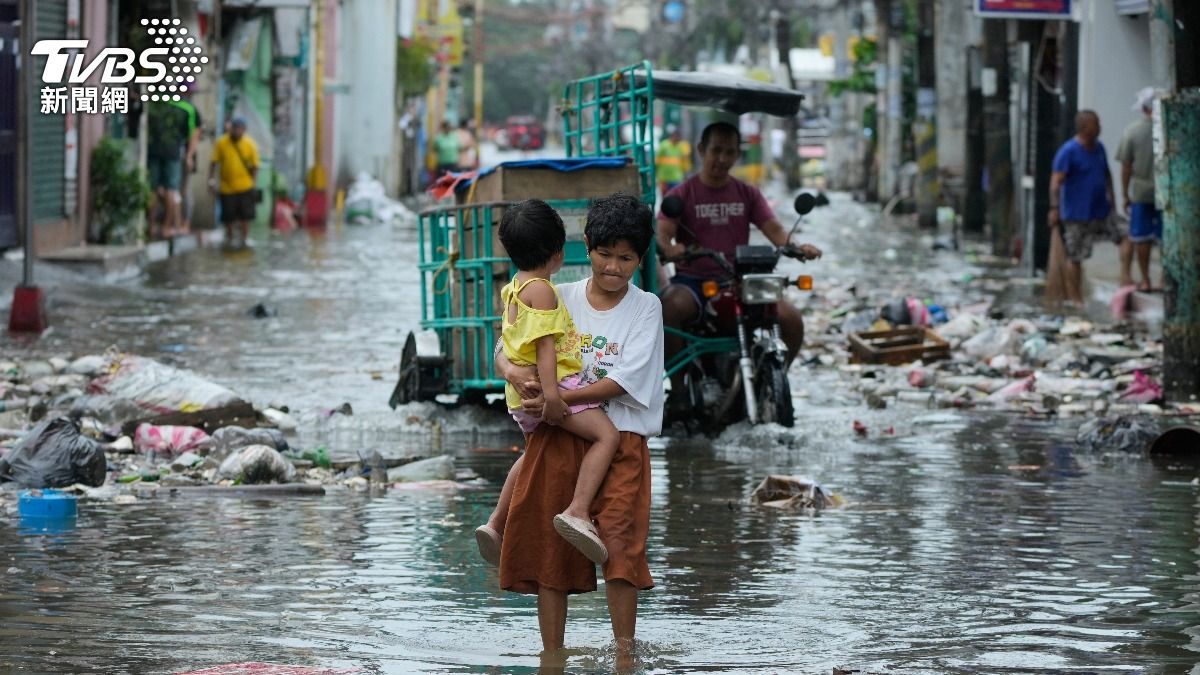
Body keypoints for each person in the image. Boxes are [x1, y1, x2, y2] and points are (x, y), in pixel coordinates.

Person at [492, 193, 662, 665]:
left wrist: (556, 398)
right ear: (585, 246)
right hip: (559, 437)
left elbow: (622, 381)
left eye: (625, 258)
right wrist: (513, 373)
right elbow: (505, 346)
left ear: (641, 259)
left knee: (621, 548)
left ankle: (624, 656)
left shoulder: (646, 308)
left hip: (622, 438)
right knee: (552, 551)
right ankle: (552, 657)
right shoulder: (556, 293)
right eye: (604, 254)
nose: (613, 267)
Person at [474, 199, 622, 566]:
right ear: (557, 252)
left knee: (531, 456)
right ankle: (578, 510)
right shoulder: (542, 290)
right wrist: (555, 399)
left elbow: (509, 340)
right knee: (607, 436)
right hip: (551, 389)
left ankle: (496, 523)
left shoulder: (513, 287)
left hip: (518, 395)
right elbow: (544, 347)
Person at [656, 121, 821, 408]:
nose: (722, 159)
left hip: (739, 281)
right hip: (695, 282)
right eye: (716, 151)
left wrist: (797, 247)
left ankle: (774, 381)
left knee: (792, 319)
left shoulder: (747, 193)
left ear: (737, 155)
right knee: (668, 308)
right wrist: (671, 249)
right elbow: (663, 233)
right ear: (701, 150)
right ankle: (679, 391)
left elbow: (775, 230)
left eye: (729, 152)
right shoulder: (681, 194)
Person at [1049, 110, 1116, 306]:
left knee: (1127, 235)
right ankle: (1075, 299)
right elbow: (1056, 182)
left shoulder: (1099, 148)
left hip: (1101, 211)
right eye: (1096, 123)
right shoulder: (1068, 151)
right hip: (1076, 214)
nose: (1100, 127)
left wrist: (1112, 198)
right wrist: (1054, 208)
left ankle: (1127, 278)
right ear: (1085, 127)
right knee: (1075, 256)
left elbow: (1107, 173)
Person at [1116, 87, 1161, 292]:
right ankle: (1166, 279)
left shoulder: (1132, 132)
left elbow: (1126, 167)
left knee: (1142, 238)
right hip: (1167, 193)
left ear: (1144, 108)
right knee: (1166, 237)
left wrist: (1125, 194)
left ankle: (1145, 279)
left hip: (1141, 192)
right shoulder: (1169, 129)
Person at [208, 117, 260, 249]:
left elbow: (255, 166)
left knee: (245, 216)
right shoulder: (222, 143)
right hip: (227, 187)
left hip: (245, 186)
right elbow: (213, 163)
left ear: (244, 130)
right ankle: (229, 238)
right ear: (231, 129)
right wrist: (211, 181)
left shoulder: (250, 144)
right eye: (235, 128)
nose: (237, 131)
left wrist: (253, 184)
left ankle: (245, 239)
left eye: (240, 129)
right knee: (228, 216)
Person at [146, 100, 192, 239]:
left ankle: (151, 227)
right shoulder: (183, 108)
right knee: (171, 190)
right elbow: (189, 133)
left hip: (154, 151)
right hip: (172, 153)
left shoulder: (153, 105)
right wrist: (188, 155)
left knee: (152, 189)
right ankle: (166, 227)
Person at [655, 125, 691, 193]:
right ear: (672, 136)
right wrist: (657, 176)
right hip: (664, 178)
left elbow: (685, 160)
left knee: (675, 196)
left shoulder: (681, 147)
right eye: (677, 137)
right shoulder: (664, 145)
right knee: (665, 196)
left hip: (677, 178)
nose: (678, 139)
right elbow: (657, 160)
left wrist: (685, 174)